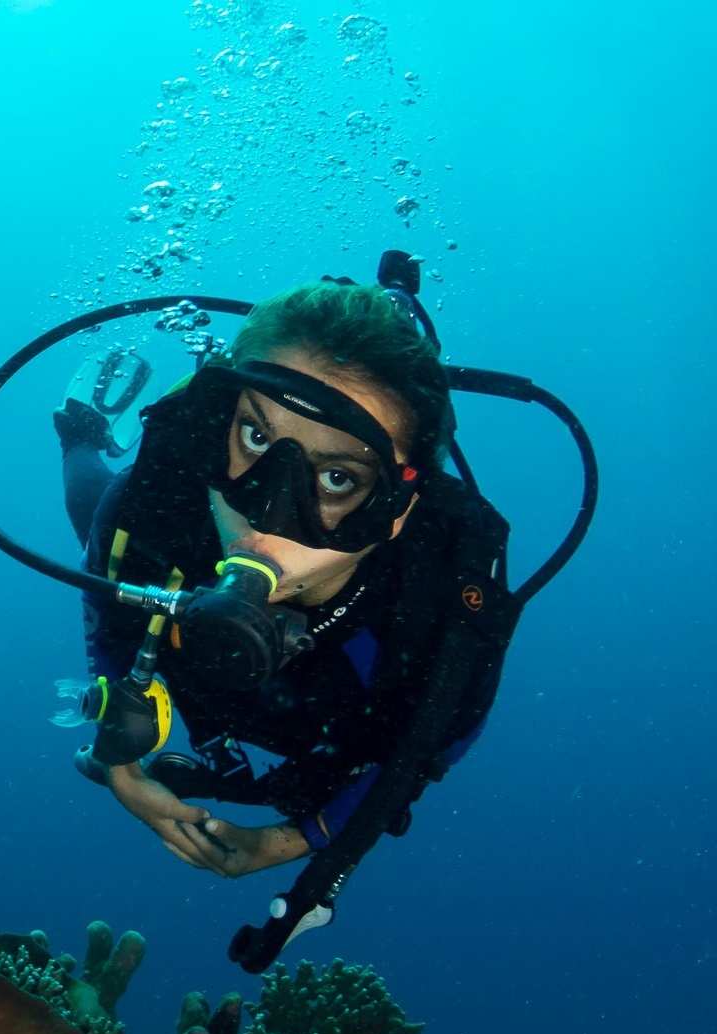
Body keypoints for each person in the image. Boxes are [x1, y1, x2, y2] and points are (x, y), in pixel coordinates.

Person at [54, 279, 505, 882]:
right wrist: (121, 762)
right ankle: (85, 430)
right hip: (173, 558)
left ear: (396, 507)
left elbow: (429, 746)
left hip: (326, 729)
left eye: (338, 478)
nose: (266, 514)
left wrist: (293, 840)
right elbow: (111, 615)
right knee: (93, 507)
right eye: (257, 437)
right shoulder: (160, 499)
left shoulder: (440, 591)